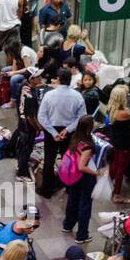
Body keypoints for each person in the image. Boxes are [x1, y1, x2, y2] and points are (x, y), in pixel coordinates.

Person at [37, 68, 87, 199]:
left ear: (58, 79)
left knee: (49, 160)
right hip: (69, 133)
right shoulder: (77, 96)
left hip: (51, 131)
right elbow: (82, 118)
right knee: (69, 160)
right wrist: (67, 130)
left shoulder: (49, 95)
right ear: (70, 80)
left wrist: (54, 133)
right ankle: (69, 187)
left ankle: (46, 189)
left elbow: (41, 117)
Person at [59, 114, 101, 244]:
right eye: (93, 122)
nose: (95, 124)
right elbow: (81, 166)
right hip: (83, 178)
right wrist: (96, 173)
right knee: (85, 205)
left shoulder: (75, 138)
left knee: (72, 200)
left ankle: (67, 225)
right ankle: (82, 235)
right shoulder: (87, 145)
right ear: (89, 127)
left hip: (71, 176)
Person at [105, 83, 130, 204]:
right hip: (125, 144)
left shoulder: (110, 108)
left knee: (114, 164)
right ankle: (117, 194)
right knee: (121, 168)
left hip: (115, 141)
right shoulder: (125, 113)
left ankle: (109, 184)